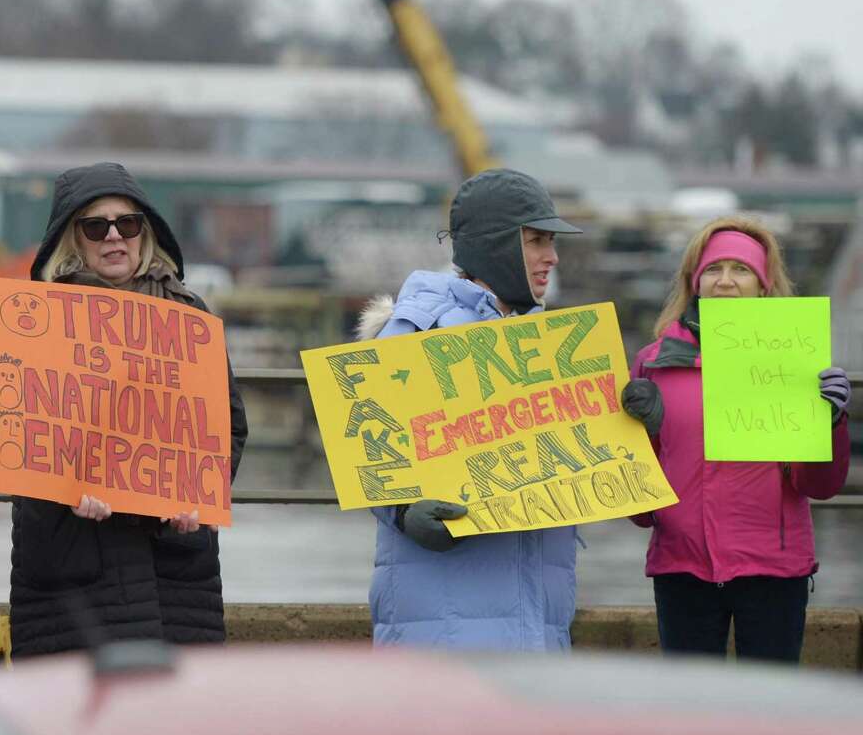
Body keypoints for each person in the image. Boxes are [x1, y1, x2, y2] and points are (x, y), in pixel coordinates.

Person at [9, 163, 248, 656]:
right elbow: (28, 429)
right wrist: (65, 492)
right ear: (72, 239)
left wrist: (197, 494)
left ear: (147, 231)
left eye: (128, 223)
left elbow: (228, 426)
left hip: (173, 565)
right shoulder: (42, 319)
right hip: (76, 559)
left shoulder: (190, 316)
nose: (114, 237)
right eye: (96, 226)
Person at [355, 168, 582, 649]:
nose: (552, 257)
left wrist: (631, 418)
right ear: (496, 245)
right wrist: (401, 512)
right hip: (444, 620)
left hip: (536, 621)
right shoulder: (416, 333)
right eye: (536, 241)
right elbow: (366, 454)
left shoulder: (549, 347)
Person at [621, 217, 851, 663]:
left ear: (764, 287)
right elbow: (638, 511)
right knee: (690, 715)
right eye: (713, 269)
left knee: (771, 715)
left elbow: (820, 487)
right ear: (695, 282)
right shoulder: (652, 363)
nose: (725, 281)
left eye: (741, 270)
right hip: (681, 566)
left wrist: (832, 423)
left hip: (773, 569)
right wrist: (644, 433)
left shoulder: (796, 362)